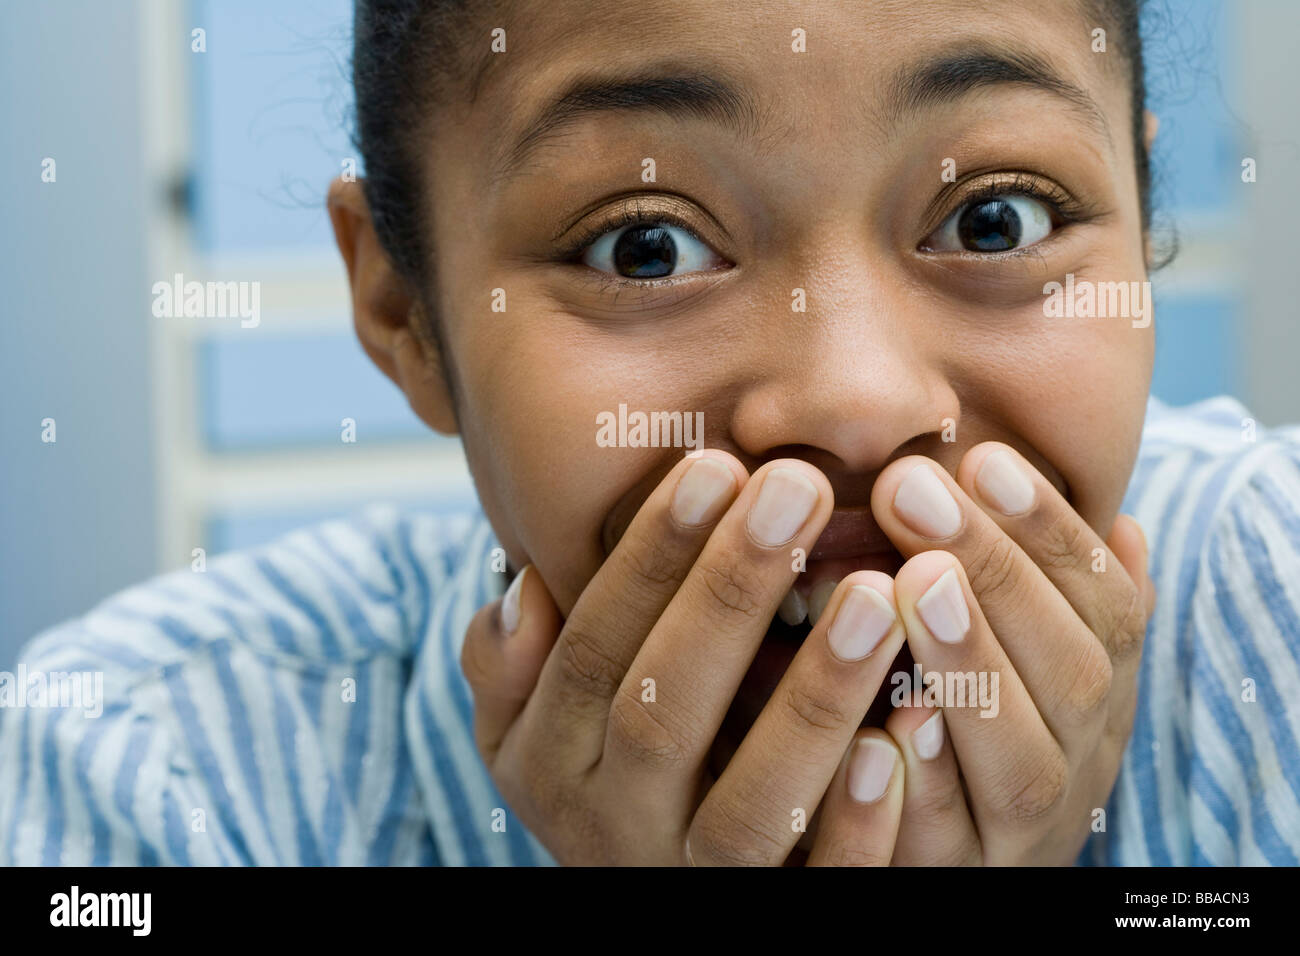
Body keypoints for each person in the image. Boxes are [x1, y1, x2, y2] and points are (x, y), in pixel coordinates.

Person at [2, 0, 1297, 866]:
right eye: (645, 244)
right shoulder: (150, 784)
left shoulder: (1273, 616)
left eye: (995, 220)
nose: (854, 401)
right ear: (405, 311)